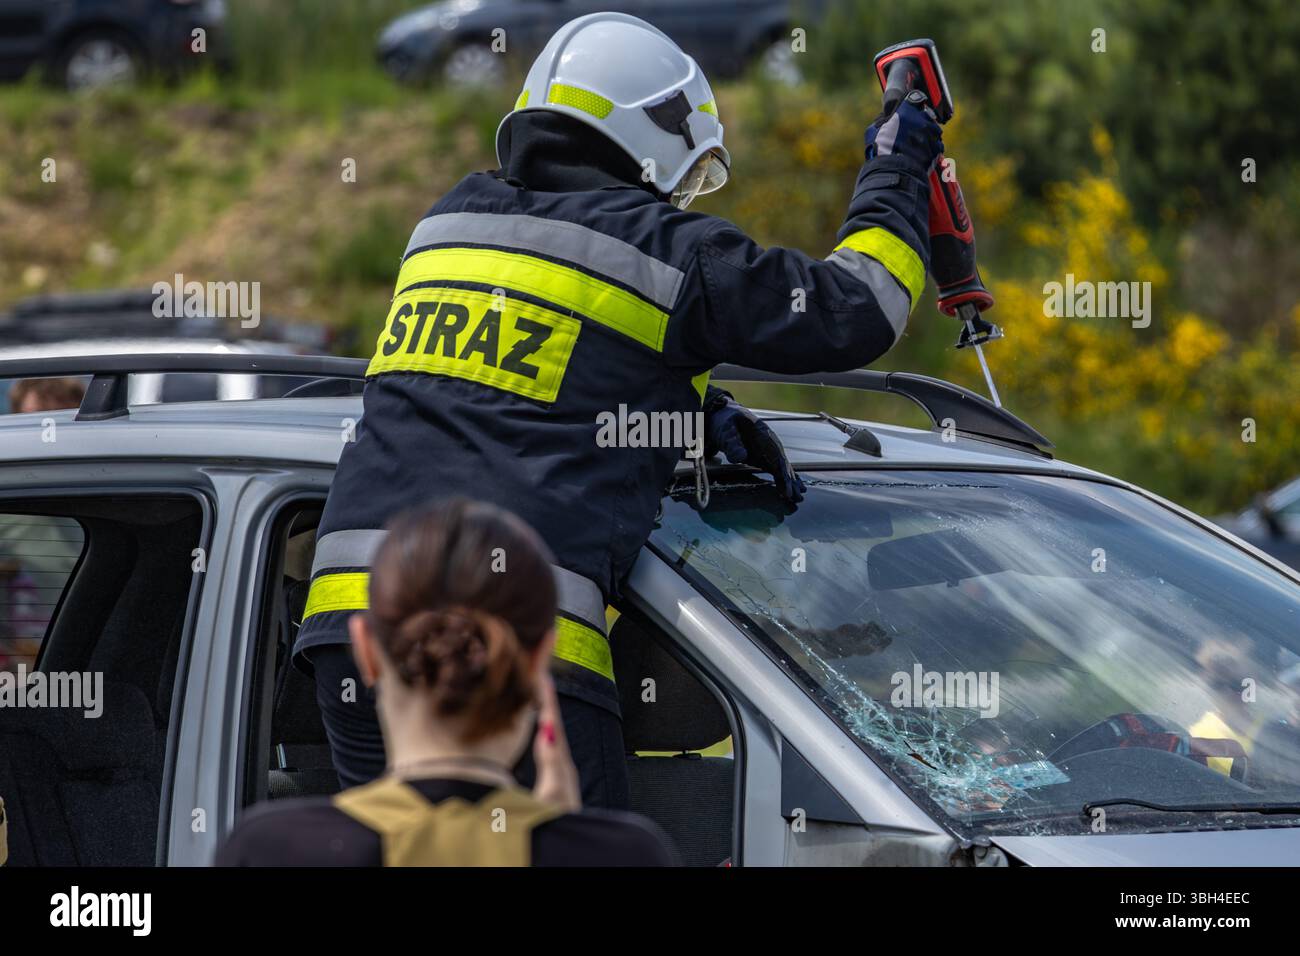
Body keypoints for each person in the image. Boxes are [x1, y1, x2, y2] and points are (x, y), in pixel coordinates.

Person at [295, 12, 942, 807]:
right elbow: (857, 307)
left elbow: (511, 386)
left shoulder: (445, 227)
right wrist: (897, 163)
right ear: (657, 138)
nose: (679, 194)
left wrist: (690, 417)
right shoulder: (671, 253)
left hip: (351, 637)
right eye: (687, 171)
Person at [218, 498, 677, 866]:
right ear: (541, 659)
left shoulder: (269, 849)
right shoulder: (627, 852)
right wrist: (567, 833)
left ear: (366, 651)